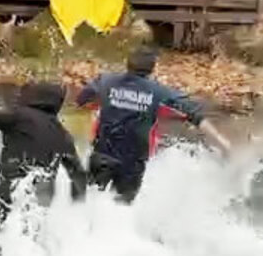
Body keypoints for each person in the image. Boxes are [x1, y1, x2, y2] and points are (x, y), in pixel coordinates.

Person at [75, 45, 230, 203]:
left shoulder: (106, 81)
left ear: (127, 64)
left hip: (102, 156)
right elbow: (195, 114)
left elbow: (81, 100)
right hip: (131, 165)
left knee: (88, 202)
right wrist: (222, 141)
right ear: (152, 69)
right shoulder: (158, 92)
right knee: (121, 209)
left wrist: (110, 102)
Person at [0, 81, 86, 244]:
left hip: (14, 188)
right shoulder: (63, 135)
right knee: (26, 238)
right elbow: (78, 175)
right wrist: (79, 207)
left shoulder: (20, 116)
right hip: (41, 200)